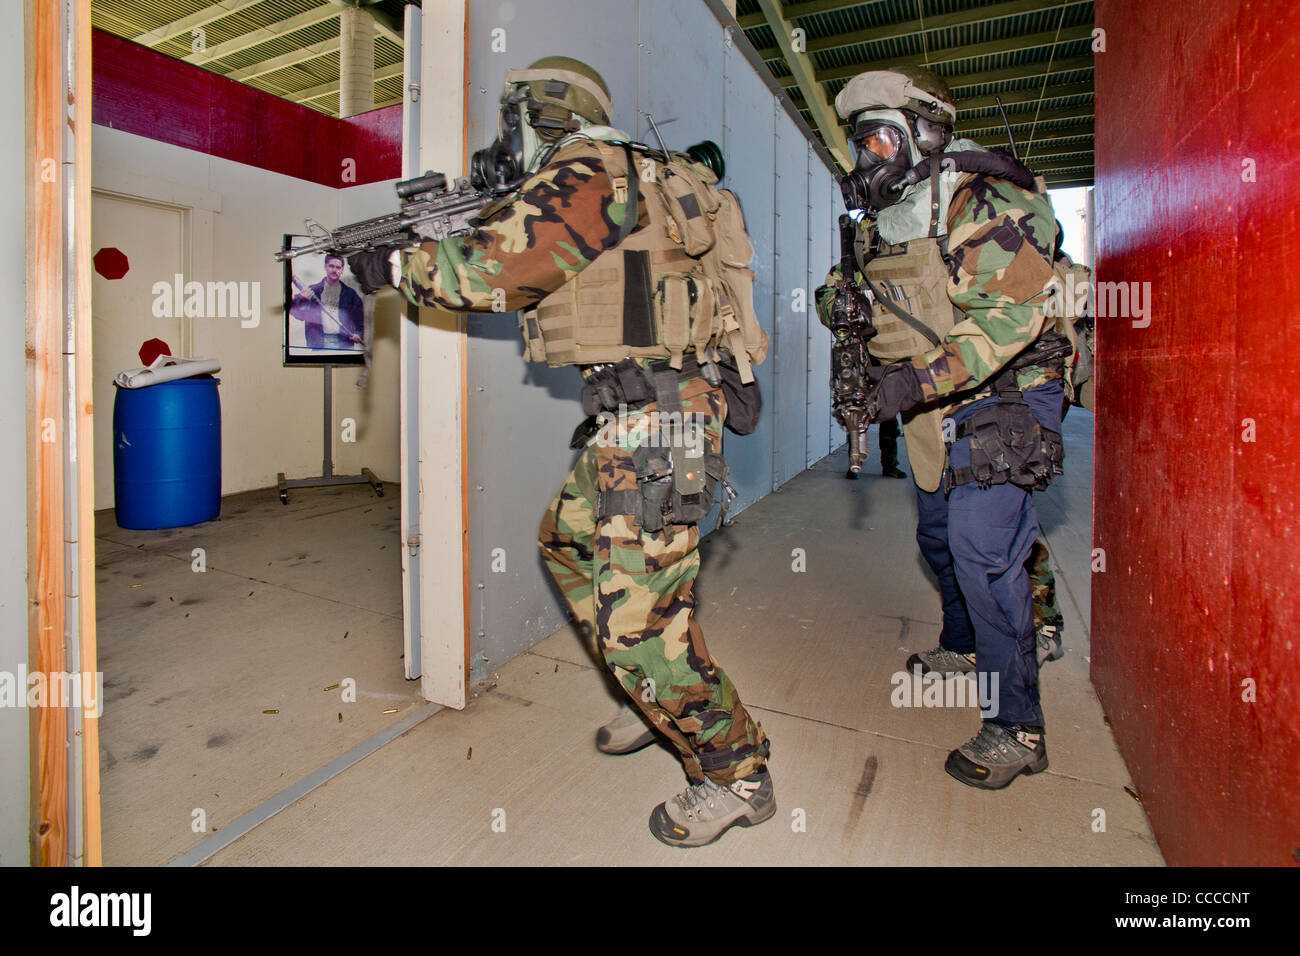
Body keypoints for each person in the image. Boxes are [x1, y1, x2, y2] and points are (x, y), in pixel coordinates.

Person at [348, 57, 774, 846]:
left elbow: (494, 273)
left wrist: (394, 266)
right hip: (645, 416)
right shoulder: (636, 172)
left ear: (538, 114)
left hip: (663, 422)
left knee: (641, 622)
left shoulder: (590, 167)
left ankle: (733, 770)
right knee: (568, 544)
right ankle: (655, 694)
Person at [816, 65, 1067, 790]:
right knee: (935, 532)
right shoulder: (880, 222)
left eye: (879, 138)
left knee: (981, 544)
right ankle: (963, 644)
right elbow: (857, 290)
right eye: (859, 143)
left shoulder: (985, 198)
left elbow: (1011, 321)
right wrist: (837, 301)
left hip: (1010, 385)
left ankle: (1018, 725)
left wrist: (905, 385)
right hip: (932, 392)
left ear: (921, 135)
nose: (868, 158)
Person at [290, 254, 364, 350]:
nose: (334, 270)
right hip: (318, 343)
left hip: (344, 343)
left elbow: (361, 319)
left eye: (338, 267)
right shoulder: (312, 291)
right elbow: (298, 315)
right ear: (325, 267)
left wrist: (358, 334)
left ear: (342, 270)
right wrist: (301, 298)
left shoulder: (350, 294)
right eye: (331, 266)